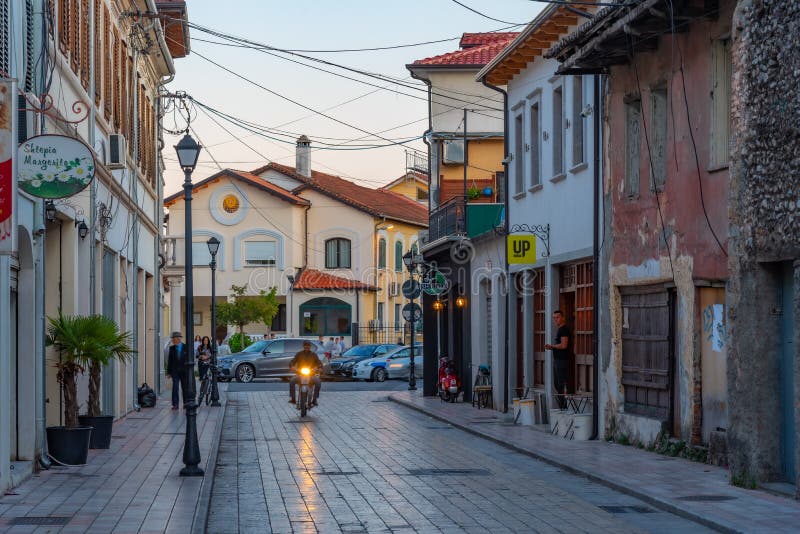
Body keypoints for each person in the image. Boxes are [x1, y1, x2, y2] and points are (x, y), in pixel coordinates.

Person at [544, 310, 571, 408]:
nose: (556, 320)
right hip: (557, 360)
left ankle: (564, 406)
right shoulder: (559, 329)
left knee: (561, 383)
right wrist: (552, 347)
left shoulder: (564, 329)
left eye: (558, 317)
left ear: (563, 317)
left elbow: (564, 345)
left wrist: (553, 346)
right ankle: (562, 406)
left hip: (562, 361)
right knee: (557, 384)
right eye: (554, 318)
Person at [288, 341, 322, 405]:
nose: (307, 347)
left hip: (311, 375)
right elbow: (293, 361)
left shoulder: (314, 355)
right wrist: (292, 366)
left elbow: (319, 363)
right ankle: (293, 399)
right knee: (292, 381)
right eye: (305, 345)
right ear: (303, 346)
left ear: (310, 346)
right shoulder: (299, 354)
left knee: (318, 382)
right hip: (300, 375)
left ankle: (314, 399)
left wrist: (319, 368)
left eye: (308, 345)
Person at [166, 332, 188, 410]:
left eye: (173, 338)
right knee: (175, 387)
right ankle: (175, 404)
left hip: (184, 371)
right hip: (175, 371)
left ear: (178, 338)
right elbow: (170, 361)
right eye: (172, 338)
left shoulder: (186, 347)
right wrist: (168, 372)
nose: (172, 340)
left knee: (184, 387)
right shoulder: (172, 348)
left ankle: (186, 403)